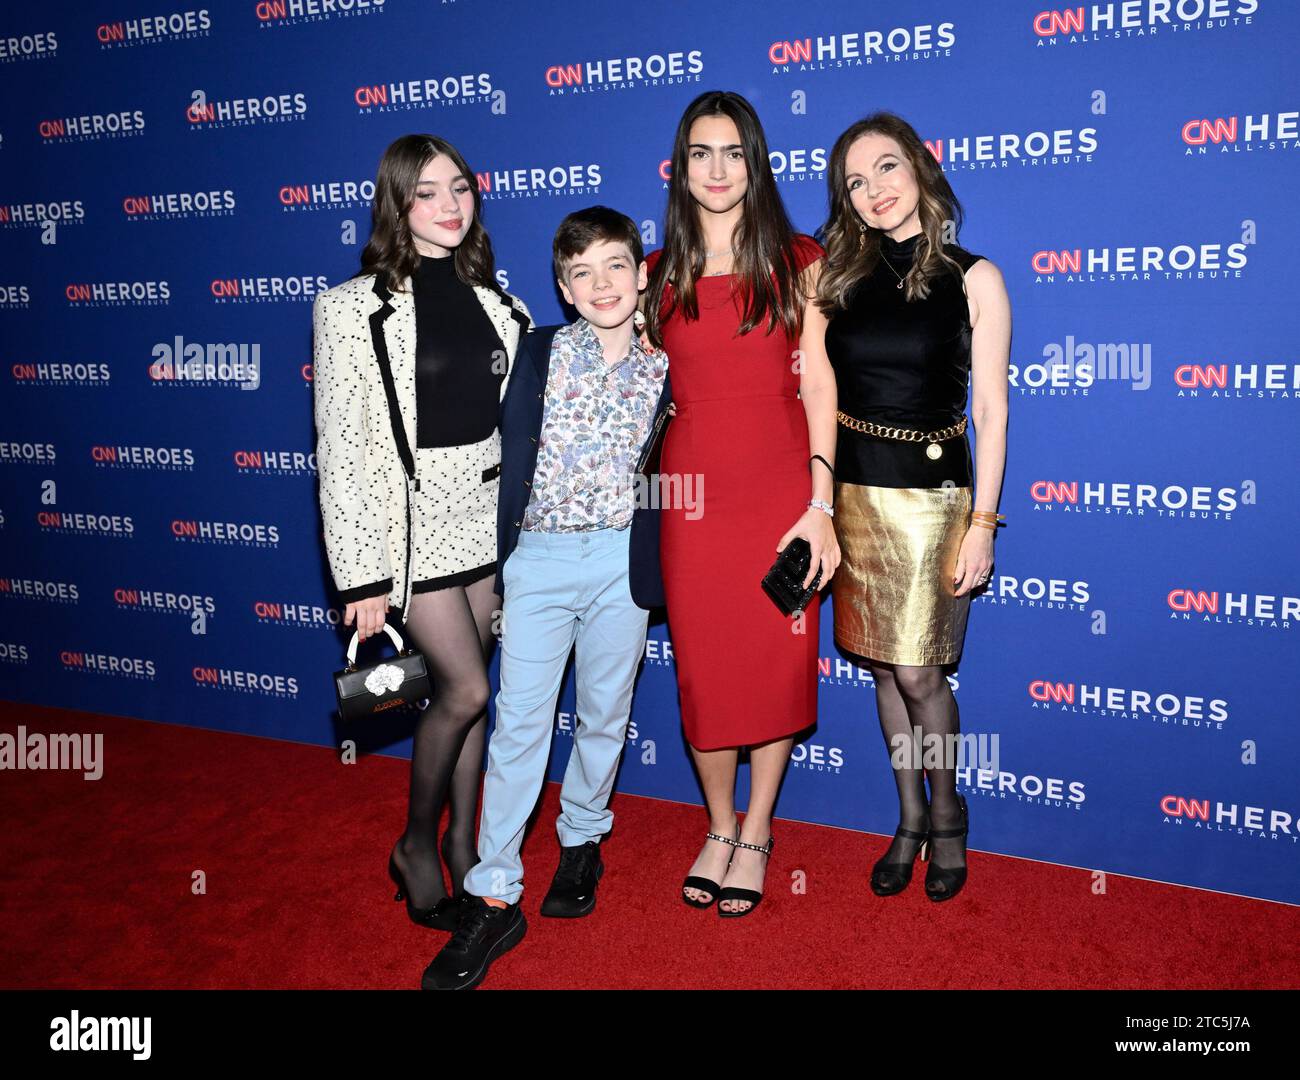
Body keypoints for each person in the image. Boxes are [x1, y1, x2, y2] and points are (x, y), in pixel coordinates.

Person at [421, 207, 671, 991]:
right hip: (537, 559)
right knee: (519, 725)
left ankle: (583, 838)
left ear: (641, 272)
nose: (602, 284)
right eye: (581, 272)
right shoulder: (534, 354)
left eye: (615, 266)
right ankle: (494, 892)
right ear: (562, 286)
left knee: (604, 712)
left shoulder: (667, 366)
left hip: (622, 562)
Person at [311, 134, 532, 932]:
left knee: (469, 700)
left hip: (486, 523)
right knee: (466, 689)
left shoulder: (506, 307)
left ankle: (466, 851)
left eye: (461, 189)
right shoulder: (348, 309)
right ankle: (415, 845)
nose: (449, 205)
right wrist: (361, 578)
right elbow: (340, 453)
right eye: (428, 192)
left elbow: (517, 432)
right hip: (412, 528)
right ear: (397, 203)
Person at [644, 90, 840, 918]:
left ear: (755, 163)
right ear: (680, 166)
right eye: (700, 153)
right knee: (706, 665)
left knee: (771, 661)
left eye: (733, 153)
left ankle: (758, 828)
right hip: (691, 497)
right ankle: (716, 824)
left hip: (780, 489)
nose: (717, 170)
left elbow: (823, 378)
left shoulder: (801, 258)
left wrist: (821, 502)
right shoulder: (655, 271)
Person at [818, 112, 1010, 902]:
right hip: (856, 497)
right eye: (855, 182)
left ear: (924, 168)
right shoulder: (834, 280)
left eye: (887, 168)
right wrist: (819, 502)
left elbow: (992, 408)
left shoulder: (976, 277)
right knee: (882, 671)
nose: (874, 192)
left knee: (919, 673)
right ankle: (906, 817)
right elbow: (819, 392)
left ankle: (948, 813)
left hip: (935, 503)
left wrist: (984, 523)